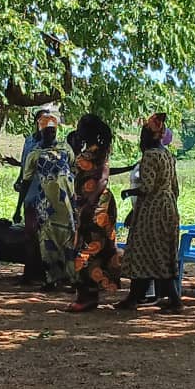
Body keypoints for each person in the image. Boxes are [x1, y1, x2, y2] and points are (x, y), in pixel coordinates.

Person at [116, 114, 182, 313]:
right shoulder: (169, 155)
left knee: (149, 252)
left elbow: (147, 187)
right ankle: (134, 297)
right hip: (168, 207)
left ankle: (174, 299)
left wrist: (129, 193)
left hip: (152, 209)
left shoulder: (151, 155)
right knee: (157, 252)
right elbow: (175, 188)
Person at [66, 115, 122, 312]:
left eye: (80, 127)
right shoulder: (93, 151)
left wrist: (90, 201)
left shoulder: (96, 153)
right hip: (93, 204)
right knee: (93, 249)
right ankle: (89, 295)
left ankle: (86, 296)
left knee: (86, 250)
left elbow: (103, 179)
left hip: (96, 206)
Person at [22, 113, 76, 291]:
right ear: (41, 131)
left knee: (69, 240)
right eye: (47, 131)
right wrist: (18, 207)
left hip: (66, 203)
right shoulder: (34, 154)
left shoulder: (65, 149)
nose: (51, 135)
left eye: (53, 131)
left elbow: (73, 170)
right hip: (45, 204)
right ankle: (51, 279)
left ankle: (72, 279)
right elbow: (26, 181)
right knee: (47, 240)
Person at [2, 109, 51, 284]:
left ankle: (45, 273)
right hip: (30, 191)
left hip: (47, 193)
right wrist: (19, 179)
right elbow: (26, 166)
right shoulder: (29, 141)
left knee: (45, 233)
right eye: (42, 119)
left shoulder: (53, 144)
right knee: (30, 233)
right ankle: (30, 273)